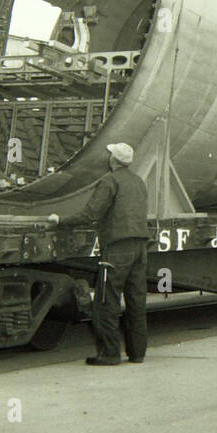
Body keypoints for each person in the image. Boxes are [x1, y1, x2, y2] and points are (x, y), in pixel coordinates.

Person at [52, 143, 149, 365]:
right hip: (140, 248)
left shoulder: (110, 181)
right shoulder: (138, 182)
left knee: (106, 301)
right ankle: (137, 354)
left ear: (112, 160)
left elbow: (91, 213)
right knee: (136, 300)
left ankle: (110, 354)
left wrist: (61, 220)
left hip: (117, 249)